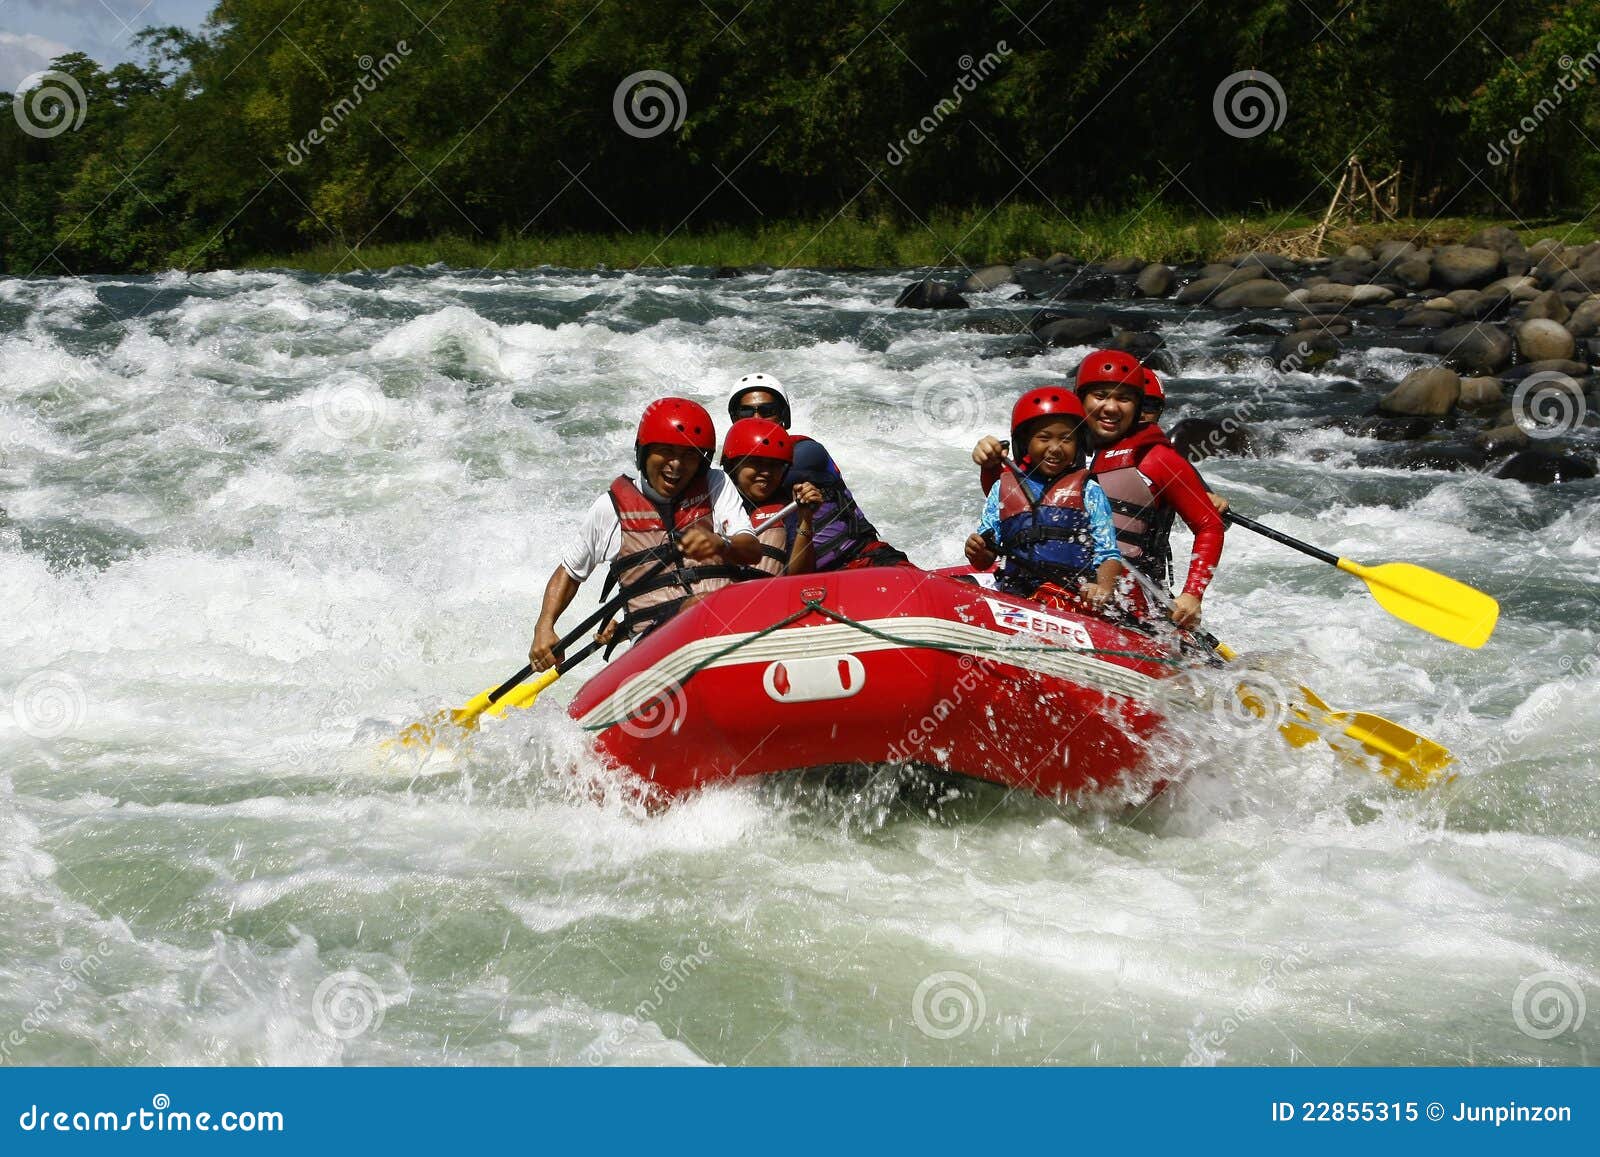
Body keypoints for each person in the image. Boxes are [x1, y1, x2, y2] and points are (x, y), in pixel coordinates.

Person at [972, 351, 1223, 628]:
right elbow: (1017, 507)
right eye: (1101, 395)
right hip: (1048, 578)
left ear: (1138, 407)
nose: (1111, 407)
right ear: (1080, 400)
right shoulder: (1060, 451)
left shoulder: (1156, 458)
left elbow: (1209, 525)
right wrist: (990, 465)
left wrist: (1192, 595)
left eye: (1123, 398)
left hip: (1125, 595)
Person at [528, 397, 768, 670]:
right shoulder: (611, 508)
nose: (676, 465)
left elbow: (751, 549)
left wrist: (721, 546)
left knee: (711, 605)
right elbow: (570, 573)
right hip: (653, 640)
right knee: (699, 606)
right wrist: (544, 627)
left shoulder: (715, 484)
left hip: (728, 622)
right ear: (644, 452)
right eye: (666, 451)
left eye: (689, 455)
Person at [726, 373, 911, 570]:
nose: (757, 419)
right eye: (746, 412)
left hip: (860, 560)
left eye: (767, 410)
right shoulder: (729, 475)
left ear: (783, 417)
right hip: (800, 580)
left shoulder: (807, 453)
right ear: (734, 419)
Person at [965, 387, 1123, 612]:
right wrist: (977, 551)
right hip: (1014, 593)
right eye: (1044, 438)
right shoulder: (1003, 487)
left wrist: (1103, 588)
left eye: (1066, 439)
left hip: (1070, 596)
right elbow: (985, 560)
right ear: (1025, 443)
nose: (1056, 448)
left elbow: (1108, 553)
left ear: (1079, 444)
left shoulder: (1090, 490)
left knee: (1053, 599)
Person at [719, 417, 824, 576]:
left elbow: (800, 576)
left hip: (769, 594)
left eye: (774, 465)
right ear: (732, 465)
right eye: (756, 462)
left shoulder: (790, 508)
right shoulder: (713, 498)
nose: (766, 472)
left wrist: (805, 519)